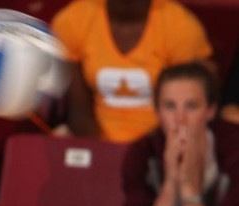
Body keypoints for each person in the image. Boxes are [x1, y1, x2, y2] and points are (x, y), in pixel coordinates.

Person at [123, 60, 239, 206]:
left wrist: (188, 189)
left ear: (210, 110)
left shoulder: (234, 151)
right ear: (157, 112)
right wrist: (170, 183)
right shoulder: (142, 155)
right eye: (170, 106)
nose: (180, 119)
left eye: (191, 106)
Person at [52, 0, 212, 143]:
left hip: (163, 143)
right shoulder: (72, 20)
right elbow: (78, 109)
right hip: (97, 142)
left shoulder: (180, 25)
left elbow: (190, 110)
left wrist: (147, 156)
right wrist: (102, 155)